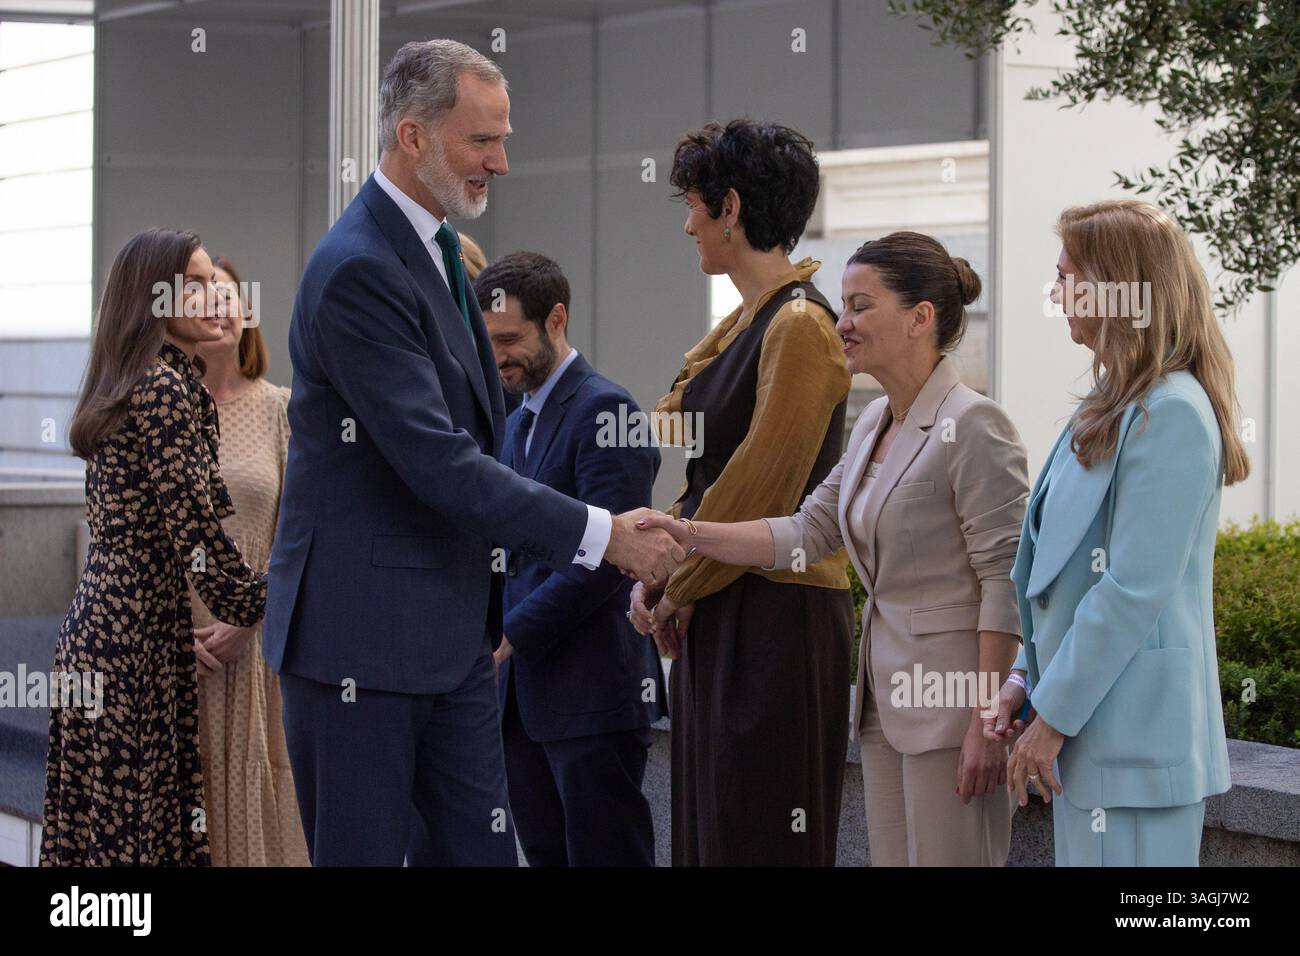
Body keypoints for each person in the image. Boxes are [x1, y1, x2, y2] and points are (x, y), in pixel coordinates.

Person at [262, 39, 680, 866]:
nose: (503, 160)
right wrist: (605, 534)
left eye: (504, 137)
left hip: (451, 645)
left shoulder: (438, 249)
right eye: (482, 140)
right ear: (412, 136)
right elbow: (440, 462)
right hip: (362, 648)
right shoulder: (358, 269)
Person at [637, 232, 1029, 866]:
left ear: (919, 318)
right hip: (880, 706)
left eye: (860, 306)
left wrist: (988, 723)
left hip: (951, 713)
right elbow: (804, 530)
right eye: (843, 305)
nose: (841, 323)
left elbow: (1003, 581)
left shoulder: (977, 423)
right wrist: (686, 534)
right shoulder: (874, 422)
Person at [985, 199, 1248, 867]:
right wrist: (1025, 680)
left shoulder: (1172, 413)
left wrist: (1051, 719)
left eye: (1068, 275)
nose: (1055, 291)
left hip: (1133, 752)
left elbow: (1131, 588)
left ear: (1119, 288)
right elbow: (1064, 580)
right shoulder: (1115, 404)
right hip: (1100, 743)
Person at [630, 119, 855, 866]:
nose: (687, 223)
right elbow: (683, 448)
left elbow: (760, 484)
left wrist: (671, 582)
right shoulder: (752, 321)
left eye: (694, 204)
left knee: (754, 836)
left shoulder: (798, 326)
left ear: (729, 208)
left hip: (777, 620)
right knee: (714, 832)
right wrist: (669, 572)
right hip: (725, 604)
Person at [45, 228, 267, 865]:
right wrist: (288, 589)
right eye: (191, 283)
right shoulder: (166, 392)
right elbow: (200, 543)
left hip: (102, 633)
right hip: (134, 644)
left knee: (99, 841)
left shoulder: (135, 380)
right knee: (137, 843)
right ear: (154, 298)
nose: (210, 297)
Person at [476, 251, 666, 866]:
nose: (496, 355)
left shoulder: (608, 411)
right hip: (524, 700)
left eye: (509, 339)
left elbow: (611, 562)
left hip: (591, 694)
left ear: (556, 319)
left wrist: (508, 635)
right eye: (488, 341)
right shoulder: (515, 421)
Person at [188, 255, 309, 866]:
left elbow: (301, 534)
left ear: (248, 311)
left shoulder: (282, 409)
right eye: (200, 295)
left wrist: (248, 616)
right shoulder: (161, 411)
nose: (215, 305)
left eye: (226, 294)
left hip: (257, 641)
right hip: (176, 643)